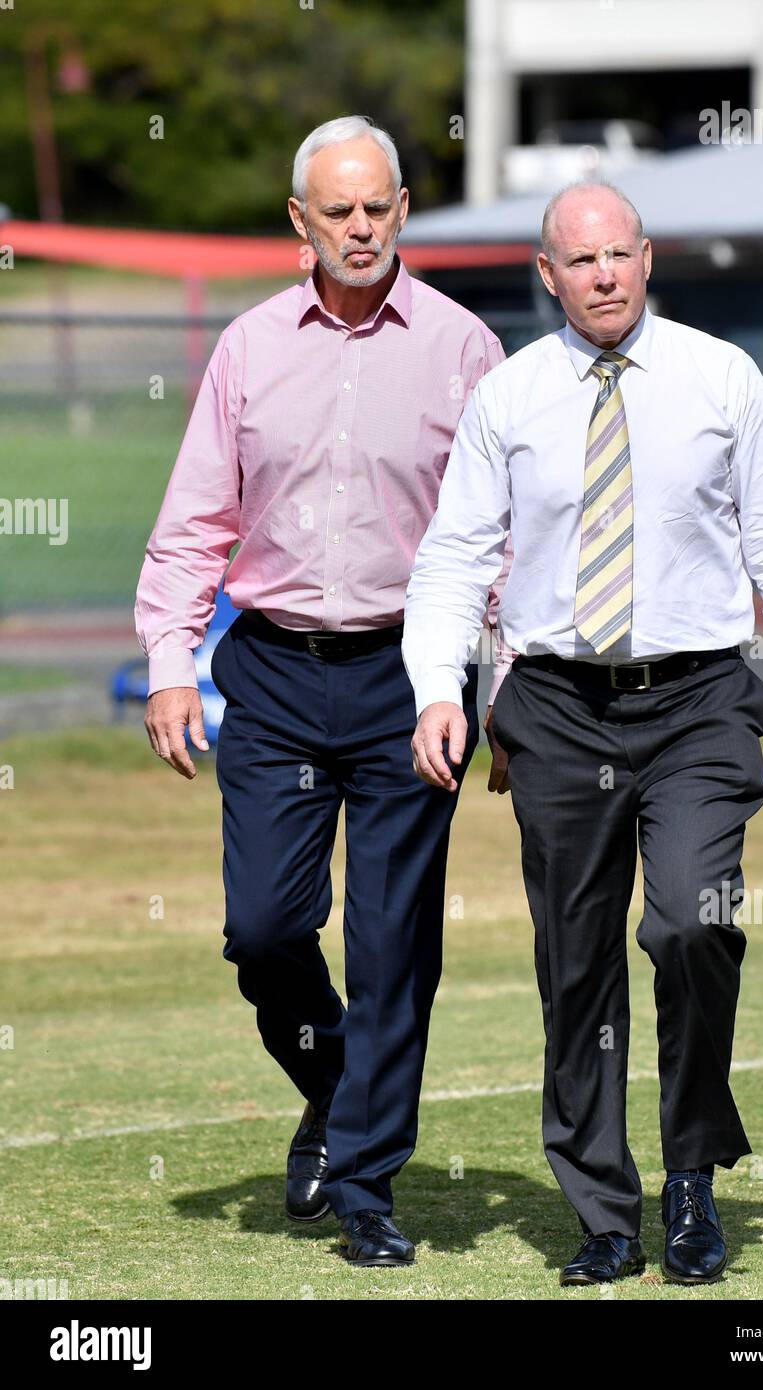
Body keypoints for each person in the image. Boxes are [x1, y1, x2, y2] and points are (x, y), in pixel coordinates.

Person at [403, 181, 763, 1288]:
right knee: (578, 965)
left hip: (700, 698)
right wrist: (439, 689)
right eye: (579, 260)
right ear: (546, 275)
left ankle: (692, 1176)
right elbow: (455, 557)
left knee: (693, 921)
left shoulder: (720, 378)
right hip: (554, 705)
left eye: (621, 254)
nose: (604, 275)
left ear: (647, 259)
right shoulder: (508, 398)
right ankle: (603, 1207)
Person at [136, 115, 509, 1269]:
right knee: (263, 928)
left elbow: (503, 539)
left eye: (378, 207)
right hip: (277, 674)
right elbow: (195, 522)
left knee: (394, 943)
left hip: (414, 681)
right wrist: (167, 665)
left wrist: (503, 686)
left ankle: (364, 1184)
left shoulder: (465, 350)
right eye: (336, 211)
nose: (359, 227)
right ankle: (335, 1082)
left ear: (403, 209)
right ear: (298, 221)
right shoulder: (248, 348)